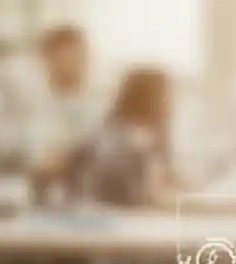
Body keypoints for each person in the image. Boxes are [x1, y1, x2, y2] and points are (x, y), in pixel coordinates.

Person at [73, 67, 176, 207]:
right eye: (166, 96)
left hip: (135, 219)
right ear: (147, 97)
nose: (171, 104)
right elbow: (128, 195)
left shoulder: (150, 138)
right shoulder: (112, 141)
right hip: (107, 220)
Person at [25, 25, 101, 205]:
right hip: (39, 201)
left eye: (74, 58)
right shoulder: (31, 108)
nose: (66, 65)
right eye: (59, 59)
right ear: (45, 61)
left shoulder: (103, 106)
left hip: (93, 202)